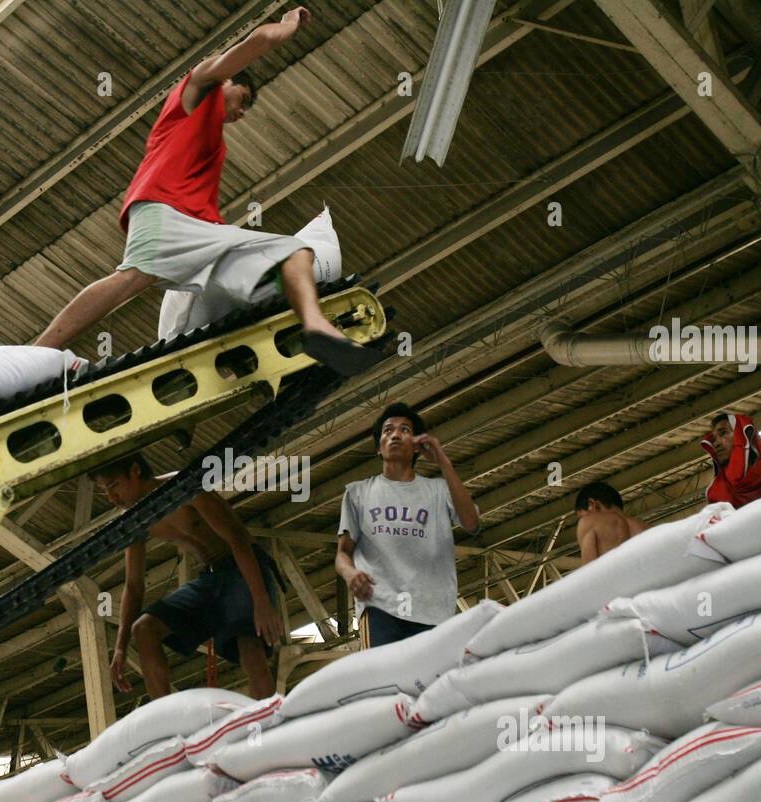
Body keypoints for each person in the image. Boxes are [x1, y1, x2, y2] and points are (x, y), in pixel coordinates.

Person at [35, 6, 372, 376]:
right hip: (163, 210)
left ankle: (316, 329)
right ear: (227, 82)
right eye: (243, 100)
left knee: (296, 253)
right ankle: (37, 352)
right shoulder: (194, 93)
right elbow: (255, 42)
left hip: (203, 232)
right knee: (132, 277)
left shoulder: (215, 142)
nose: (242, 113)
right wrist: (288, 25)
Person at [94, 454, 284, 699]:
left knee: (249, 644)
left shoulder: (185, 487)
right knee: (144, 629)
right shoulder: (134, 521)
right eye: (105, 492)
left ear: (135, 471)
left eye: (113, 486)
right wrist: (120, 647)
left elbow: (237, 537)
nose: (112, 498)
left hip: (243, 568)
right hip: (210, 578)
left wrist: (260, 601)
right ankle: (168, 725)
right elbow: (133, 586)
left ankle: (265, 720)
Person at [335, 404, 480, 648]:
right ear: (379, 448)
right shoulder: (357, 493)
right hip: (380, 606)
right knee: (385, 682)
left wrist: (443, 462)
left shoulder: (439, 490)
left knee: (432, 684)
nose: (394, 434)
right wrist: (350, 574)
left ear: (416, 446)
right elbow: (342, 553)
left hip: (433, 610)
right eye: (387, 430)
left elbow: (472, 523)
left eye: (404, 430)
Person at [700, 413, 761, 508]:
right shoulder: (716, 492)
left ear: (740, 434)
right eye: (714, 439)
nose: (716, 443)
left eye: (723, 433)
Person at [574, 482, 647, 565]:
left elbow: (589, 571)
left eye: (581, 516)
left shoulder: (588, 522)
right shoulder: (648, 529)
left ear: (592, 504)